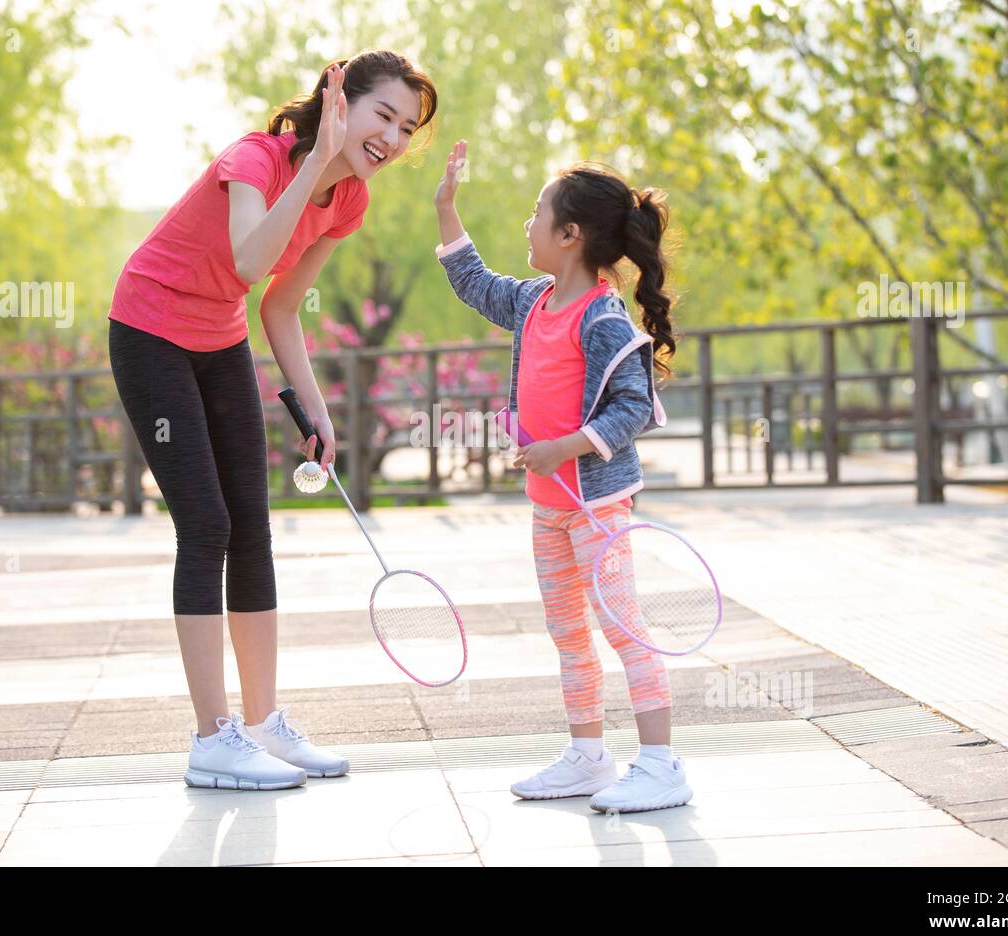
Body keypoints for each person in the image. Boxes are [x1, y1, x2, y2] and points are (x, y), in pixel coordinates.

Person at [107, 50, 438, 790]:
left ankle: (261, 725)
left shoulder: (349, 199)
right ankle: (211, 739)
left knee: (252, 524)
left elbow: (278, 305)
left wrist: (314, 407)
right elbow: (253, 259)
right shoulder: (253, 160)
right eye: (383, 114)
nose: (393, 136)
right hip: (150, 330)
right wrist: (316, 161)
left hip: (220, 337)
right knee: (207, 526)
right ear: (338, 101)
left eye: (407, 127)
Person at [433, 140, 692, 813]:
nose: (527, 223)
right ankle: (587, 755)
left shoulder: (603, 318)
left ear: (570, 235)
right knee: (567, 631)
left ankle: (662, 764)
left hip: (597, 503)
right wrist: (445, 208)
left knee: (620, 624)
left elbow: (636, 406)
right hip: (548, 505)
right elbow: (470, 280)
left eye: (537, 212)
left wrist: (567, 446)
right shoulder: (530, 302)